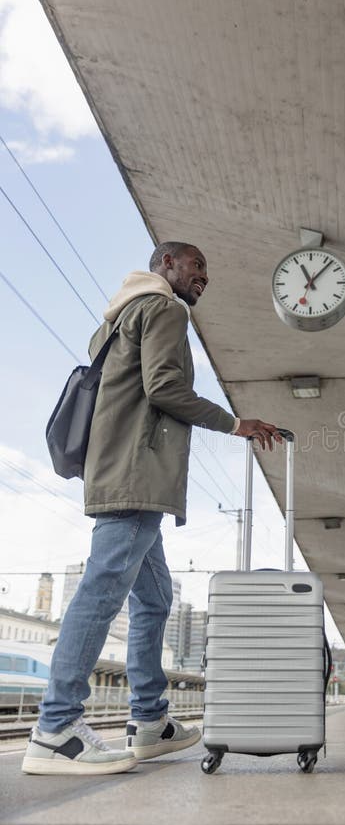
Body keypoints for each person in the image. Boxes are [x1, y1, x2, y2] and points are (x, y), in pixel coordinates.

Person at [22, 241, 282, 775]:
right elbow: (164, 387)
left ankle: (148, 721)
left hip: (117, 468)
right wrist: (238, 424)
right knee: (102, 588)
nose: (203, 277)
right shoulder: (165, 308)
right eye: (196, 266)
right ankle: (54, 729)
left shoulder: (117, 319)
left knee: (156, 595)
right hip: (137, 475)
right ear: (166, 265)